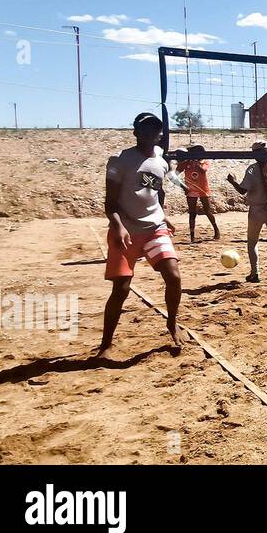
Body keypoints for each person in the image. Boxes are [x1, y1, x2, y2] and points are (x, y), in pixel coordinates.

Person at [99, 113, 183, 356]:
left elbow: (154, 192)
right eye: (146, 130)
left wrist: (163, 214)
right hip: (126, 230)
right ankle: (105, 344)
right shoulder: (119, 161)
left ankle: (172, 321)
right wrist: (118, 226)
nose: (153, 134)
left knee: (173, 276)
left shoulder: (161, 161)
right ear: (136, 133)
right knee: (122, 289)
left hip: (155, 228)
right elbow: (110, 203)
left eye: (156, 130)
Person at [227, 142, 267, 286]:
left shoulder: (252, 169)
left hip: (257, 209)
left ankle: (255, 273)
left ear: (255, 155)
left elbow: (243, 190)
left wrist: (233, 181)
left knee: (252, 242)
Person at [175, 143, 220, 243]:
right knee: (192, 212)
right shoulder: (187, 163)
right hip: (191, 190)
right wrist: (182, 186)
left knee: (207, 210)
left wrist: (195, 162)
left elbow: (203, 170)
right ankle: (192, 235)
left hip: (203, 189)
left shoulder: (204, 162)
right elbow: (175, 174)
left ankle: (216, 230)